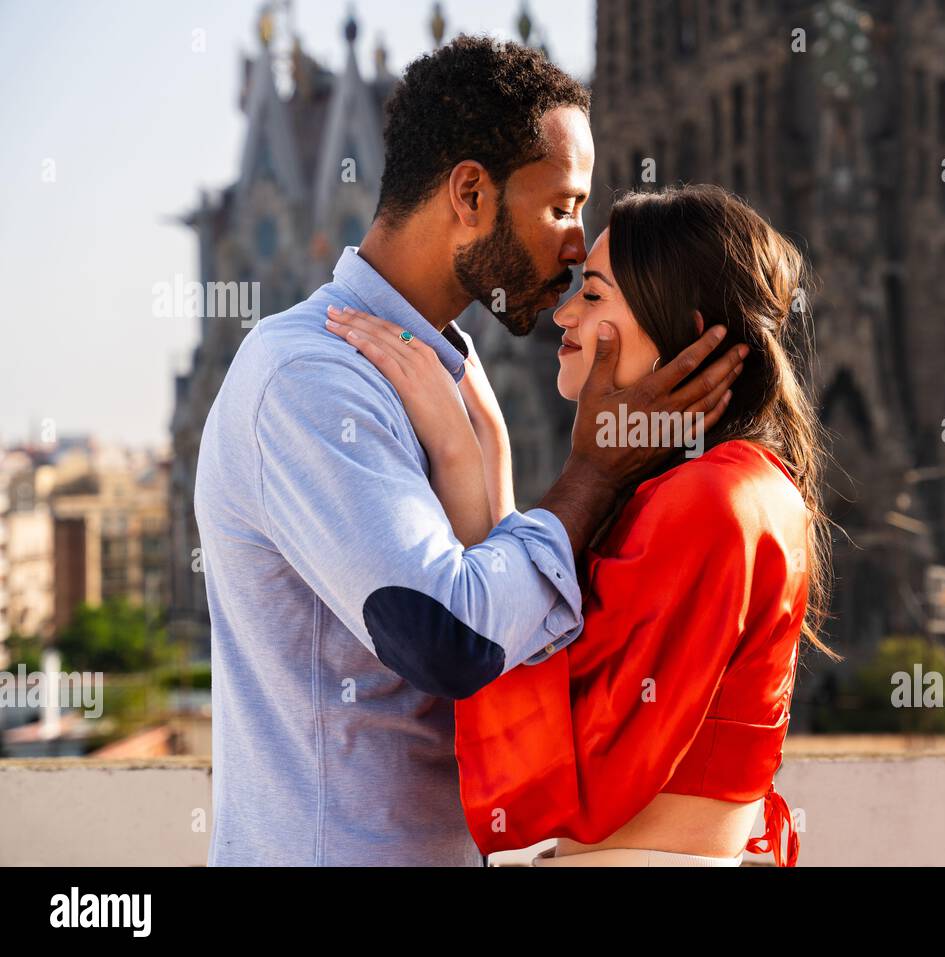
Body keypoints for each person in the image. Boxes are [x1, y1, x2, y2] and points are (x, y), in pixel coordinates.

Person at [194, 38, 743, 866]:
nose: (576, 243)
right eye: (562, 205)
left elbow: (515, 646)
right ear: (472, 193)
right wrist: (592, 474)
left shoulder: (447, 376)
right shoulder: (308, 376)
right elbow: (445, 633)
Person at [326, 184, 839, 866]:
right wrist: (489, 456)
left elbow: (579, 761)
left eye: (593, 294)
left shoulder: (714, 497)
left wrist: (457, 452)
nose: (564, 312)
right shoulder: (715, 485)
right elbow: (551, 660)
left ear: (677, 324)